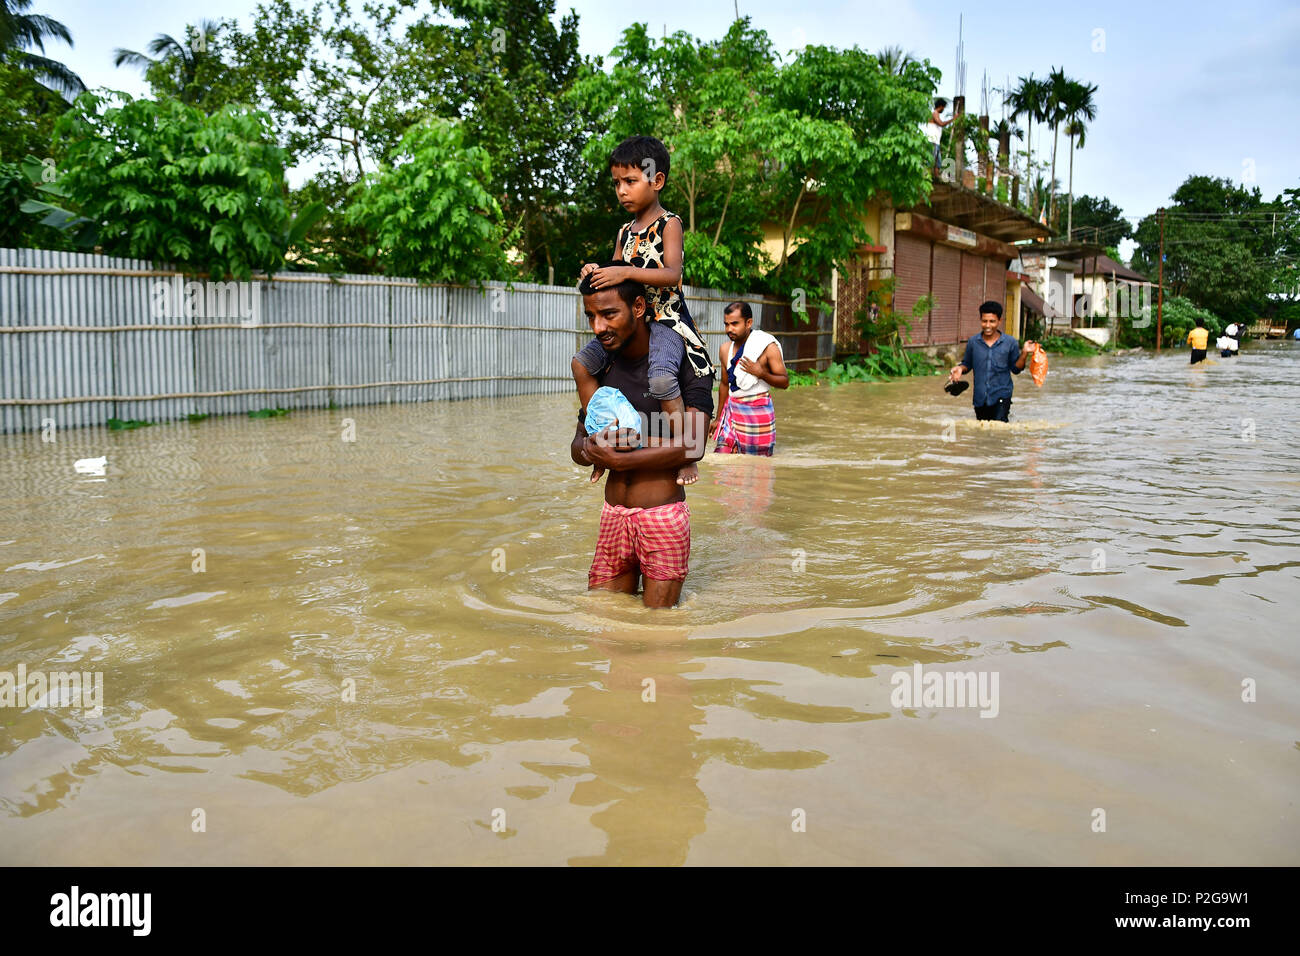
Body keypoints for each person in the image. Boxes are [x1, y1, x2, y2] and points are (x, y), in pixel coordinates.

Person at [574, 136, 714, 488]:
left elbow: (671, 274)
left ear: (658, 181)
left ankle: (685, 453)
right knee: (581, 364)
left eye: (630, 181)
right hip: (633, 321)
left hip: (665, 321)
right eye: (617, 183)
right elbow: (616, 285)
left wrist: (625, 271)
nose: (622, 191)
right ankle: (602, 433)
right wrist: (597, 270)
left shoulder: (669, 223)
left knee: (663, 378)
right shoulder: (624, 231)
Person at [570, 270, 713, 609]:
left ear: (638, 307)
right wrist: (591, 449)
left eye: (608, 315)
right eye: (591, 316)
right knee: (602, 623)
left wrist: (622, 460)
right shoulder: (602, 367)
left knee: (659, 633)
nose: (597, 328)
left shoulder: (684, 362)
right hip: (612, 517)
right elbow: (579, 442)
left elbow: (693, 445)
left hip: (662, 518)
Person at [712, 301, 788, 455]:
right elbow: (724, 385)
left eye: (734, 324)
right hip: (732, 413)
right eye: (726, 324)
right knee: (721, 460)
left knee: (757, 469)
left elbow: (785, 382)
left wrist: (761, 373)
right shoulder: (725, 349)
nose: (729, 329)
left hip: (759, 415)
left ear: (749, 323)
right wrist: (718, 418)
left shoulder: (767, 346)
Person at [948, 301, 1032, 422]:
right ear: (980, 320)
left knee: (999, 429)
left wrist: (1024, 353)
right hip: (980, 398)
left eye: (992, 321)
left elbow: (1016, 369)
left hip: (1002, 395)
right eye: (984, 321)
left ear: (999, 321)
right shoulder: (973, 342)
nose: (988, 325)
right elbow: (967, 364)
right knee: (983, 434)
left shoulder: (1010, 342)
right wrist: (960, 369)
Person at [924, 98, 953, 171]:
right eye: (943, 107)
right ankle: (926, 178)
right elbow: (941, 124)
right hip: (932, 141)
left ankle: (936, 179)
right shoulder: (935, 113)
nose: (943, 109)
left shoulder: (936, 114)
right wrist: (953, 119)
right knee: (930, 162)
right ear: (941, 106)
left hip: (936, 142)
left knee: (938, 163)